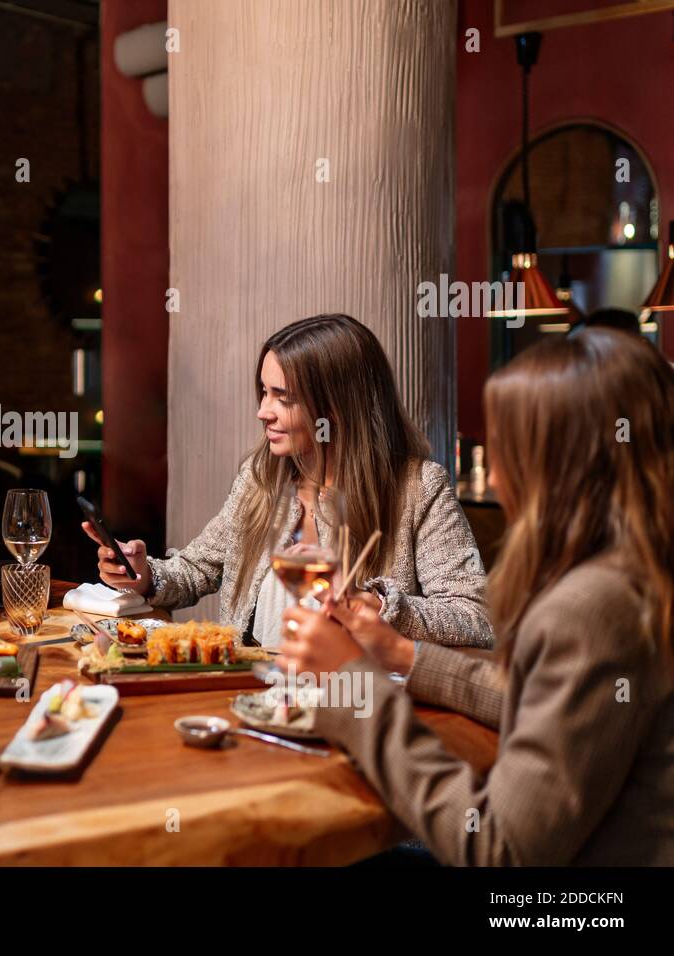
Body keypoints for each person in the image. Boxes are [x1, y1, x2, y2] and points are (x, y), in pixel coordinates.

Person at [281, 328, 674, 864]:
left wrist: (352, 686)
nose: (496, 479)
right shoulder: (636, 573)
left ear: (560, 463)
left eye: (506, 447)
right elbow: (540, 702)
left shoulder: (590, 607)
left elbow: (499, 850)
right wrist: (397, 654)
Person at [83, 313, 492, 648]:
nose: (264, 411)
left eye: (284, 397)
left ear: (336, 408)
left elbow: (476, 617)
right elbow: (197, 569)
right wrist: (146, 575)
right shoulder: (261, 478)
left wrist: (380, 606)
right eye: (263, 392)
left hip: (352, 707)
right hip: (252, 699)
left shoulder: (418, 490)